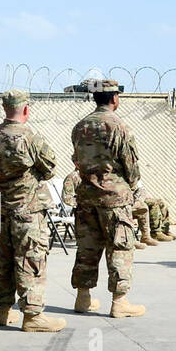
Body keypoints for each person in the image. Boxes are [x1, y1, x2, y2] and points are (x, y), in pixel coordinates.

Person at [0, 87, 65, 333]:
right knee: (31, 258)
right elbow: (49, 168)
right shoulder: (30, 137)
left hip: (2, 207)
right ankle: (32, 315)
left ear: (5, 108)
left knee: (2, 260)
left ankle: (2, 311)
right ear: (26, 109)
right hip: (27, 209)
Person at [69, 78, 145, 317]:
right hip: (114, 199)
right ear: (114, 98)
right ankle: (120, 302)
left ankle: (83, 298)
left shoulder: (79, 127)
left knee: (87, 249)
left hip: (86, 196)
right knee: (120, 248)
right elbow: (131, 168)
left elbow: (77, 161)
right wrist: (133, 187)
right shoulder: (119, 127)